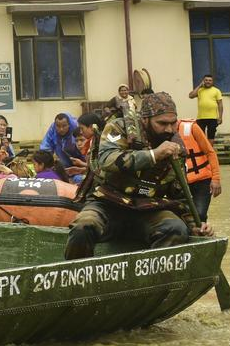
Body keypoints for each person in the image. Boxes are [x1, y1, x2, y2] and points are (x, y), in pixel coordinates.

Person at [64, 92, 214, 261]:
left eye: (173, 123)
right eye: (162, 123)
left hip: (147, 209)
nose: (169, 129)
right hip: (107, 203)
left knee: (176, 228)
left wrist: (196, 225)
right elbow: (107, 159)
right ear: (145, 120)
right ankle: (78, 274)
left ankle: (154, 275)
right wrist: (153, 155)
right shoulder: (118, 128)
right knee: (83, 227)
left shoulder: (175, 148)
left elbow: (180, 196)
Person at [179, 118, 223, 223]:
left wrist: (216, 179)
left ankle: (202, 229)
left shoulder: (190, 127)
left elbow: (210, 152)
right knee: (182, 215)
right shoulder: (159, 133)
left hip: (202, 180)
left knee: (200, 214)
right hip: (179, 183)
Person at [40, 112, 86, 178]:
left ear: (69, 125)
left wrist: (82, 164)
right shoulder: (53, 130)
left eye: (64, 126)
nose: (61, 129)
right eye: (58, 126)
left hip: (83, 164)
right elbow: (45, 148)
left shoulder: (77, 127)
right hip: (66, 165)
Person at [189, 74, 224, 141]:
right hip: (201, 117)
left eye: (210, 80)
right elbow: (191, 96)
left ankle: (210, 148)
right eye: (206, 80)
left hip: (213, 118)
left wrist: (220, 117)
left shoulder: (216, 91)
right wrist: (199, 86)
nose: (208, 82)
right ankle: (203, 148)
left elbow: (220, 104)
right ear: (203, 81)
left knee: (211, 136)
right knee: (200, 136)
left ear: (212, 82)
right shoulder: (200, 90)